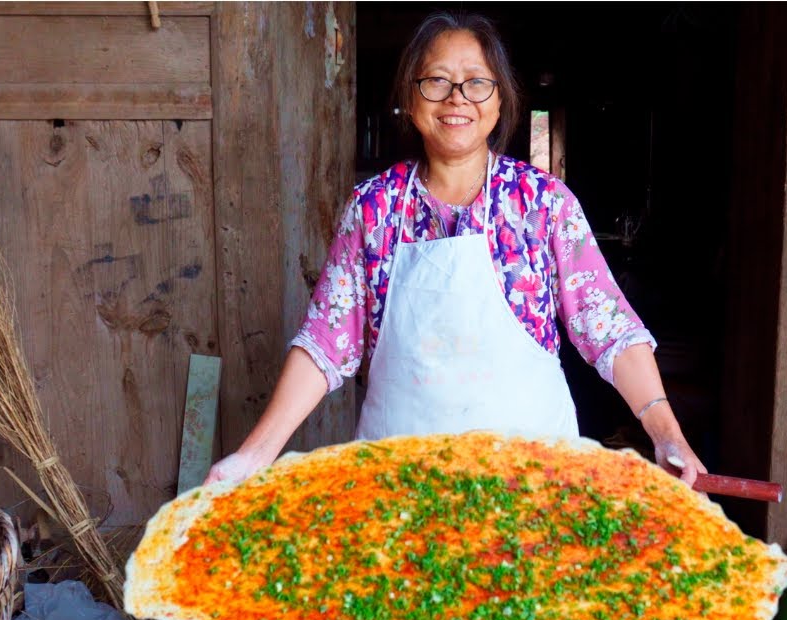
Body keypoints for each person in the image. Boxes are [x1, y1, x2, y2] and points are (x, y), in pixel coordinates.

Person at [206, 11, 706, 489]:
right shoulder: (374, 209)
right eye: (437, 81)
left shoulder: (542, 203)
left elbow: (609, 328)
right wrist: (254, 455)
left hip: (527, 481)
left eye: (476, 82)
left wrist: (667, 434)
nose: (457, 98)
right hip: (400, 480)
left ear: (499, 99)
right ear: (411, 97)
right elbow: (325, 343)